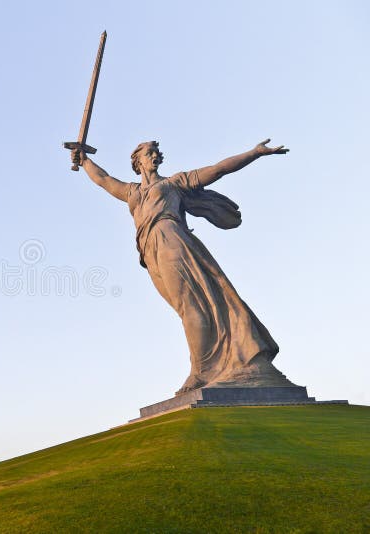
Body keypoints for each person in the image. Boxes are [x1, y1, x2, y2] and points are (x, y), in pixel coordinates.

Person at [72, 140, 293, 394]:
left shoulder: (173, 183)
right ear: (138, 161)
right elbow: (103, 179)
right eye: (149, 153)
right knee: (184, 308)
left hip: (172, 241)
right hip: (149, 252)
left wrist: (254, 153)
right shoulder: (132, 192)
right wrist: (84, 160)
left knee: (190, 305)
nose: (155, 156)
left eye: (156, 153)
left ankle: (200, 372)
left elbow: (218, 169)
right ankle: (214, 364)